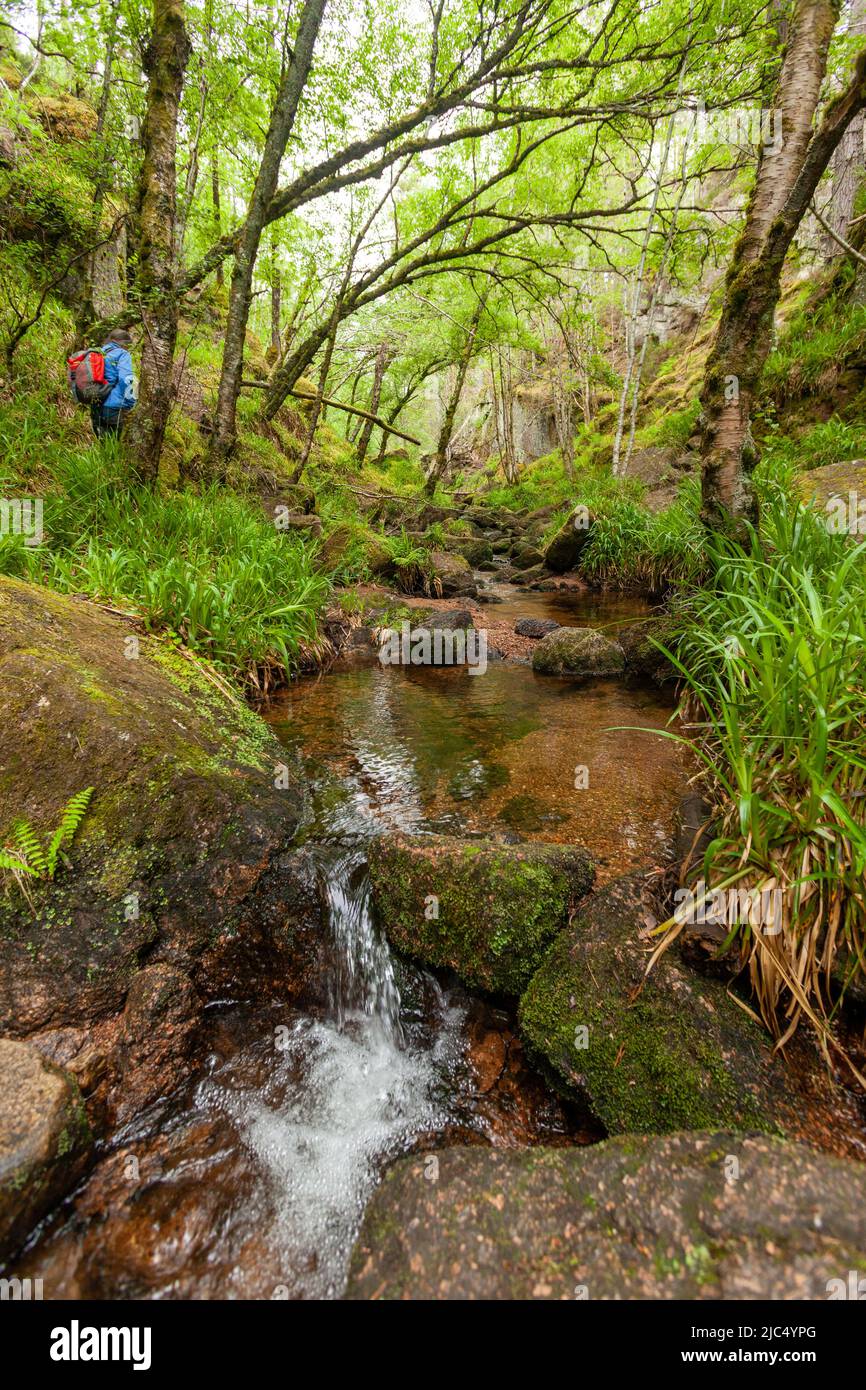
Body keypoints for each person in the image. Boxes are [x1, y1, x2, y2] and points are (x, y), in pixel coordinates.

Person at [91, 329, 137, 438]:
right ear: (124, 344)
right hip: (114, 406)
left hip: (97, 404)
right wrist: (131, 402)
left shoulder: (100, 352)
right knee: (117, 445)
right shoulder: (122, 354)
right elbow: (125, 379)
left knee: (104, 445)